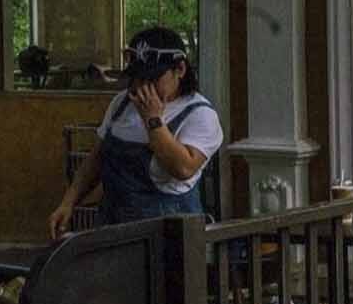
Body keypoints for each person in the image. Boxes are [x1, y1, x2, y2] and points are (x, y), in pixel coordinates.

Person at [49, 26, 223, 236]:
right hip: (113, 227)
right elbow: (97, 158)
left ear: (180, 69)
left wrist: (153, 120)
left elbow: (183, 168)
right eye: (137, 77)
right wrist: (69, 202)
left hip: (167, 237)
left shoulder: (199, 114)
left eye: (152, 78)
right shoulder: (121, 103)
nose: (142, 85)